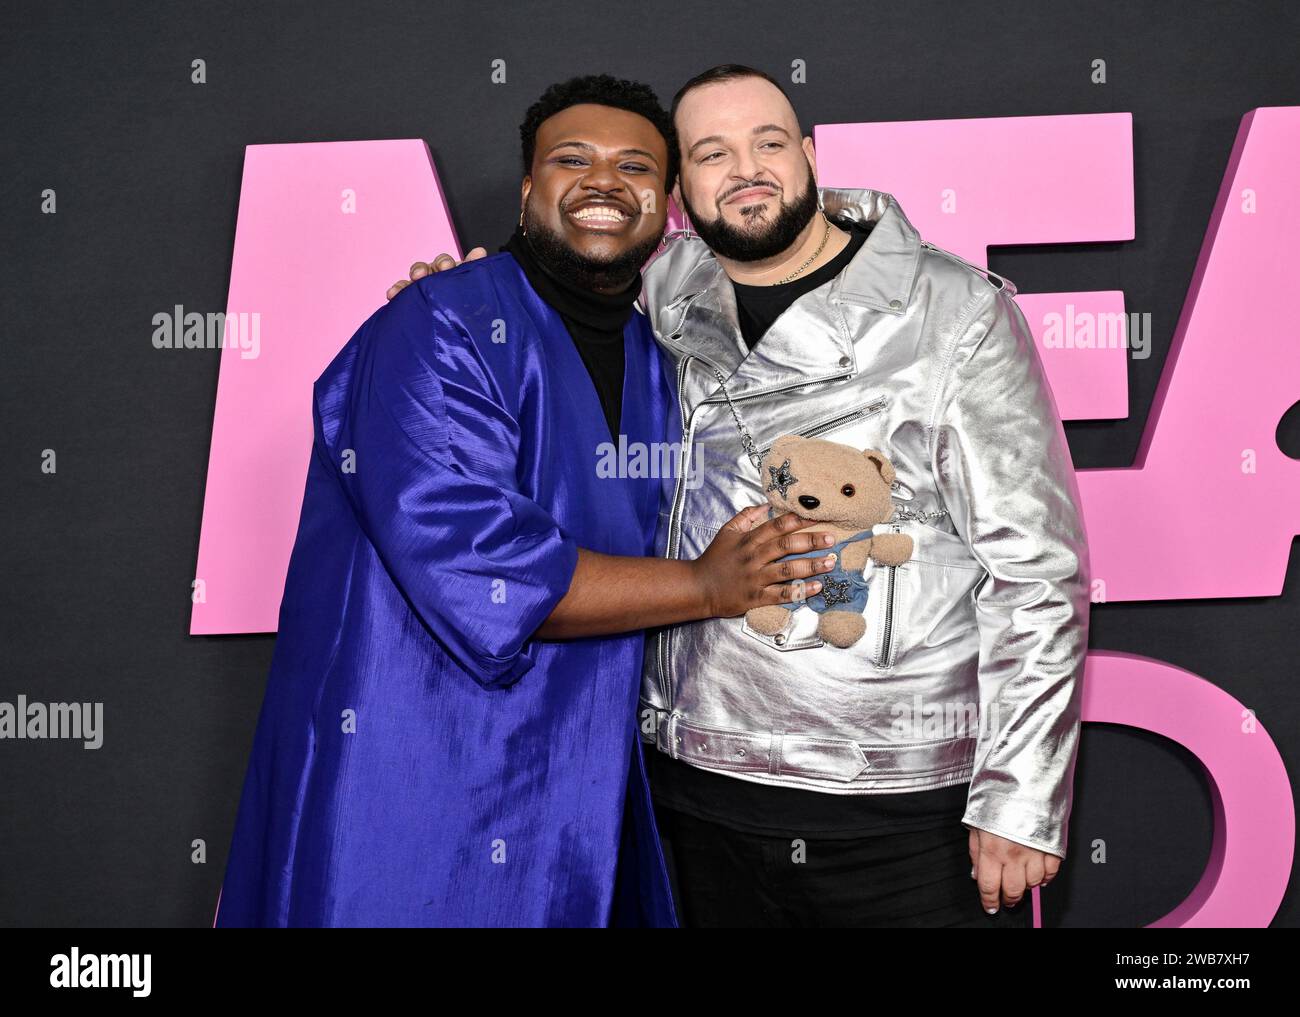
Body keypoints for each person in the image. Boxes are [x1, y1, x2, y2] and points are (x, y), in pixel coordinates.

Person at [397, 66, 1091, 928]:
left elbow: (1036, 571)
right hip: (692, 787)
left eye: (769, 143)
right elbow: (545, 304)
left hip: (896, 801)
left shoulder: (955, 313)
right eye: (712, 153)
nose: (748, 168)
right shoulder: (659, 289)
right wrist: (456, 299)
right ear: (682, 192)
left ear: (809, 155)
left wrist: (1019, 796)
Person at [214, 74, 839, 928]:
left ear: (667, 205)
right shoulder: (438, 325)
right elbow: (484, 567)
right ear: (526, 189)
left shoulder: (668, 356)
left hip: (582, 782)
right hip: (412, 771)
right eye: (571, 160)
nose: (604, 182)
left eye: (635, 166)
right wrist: (707, 586)